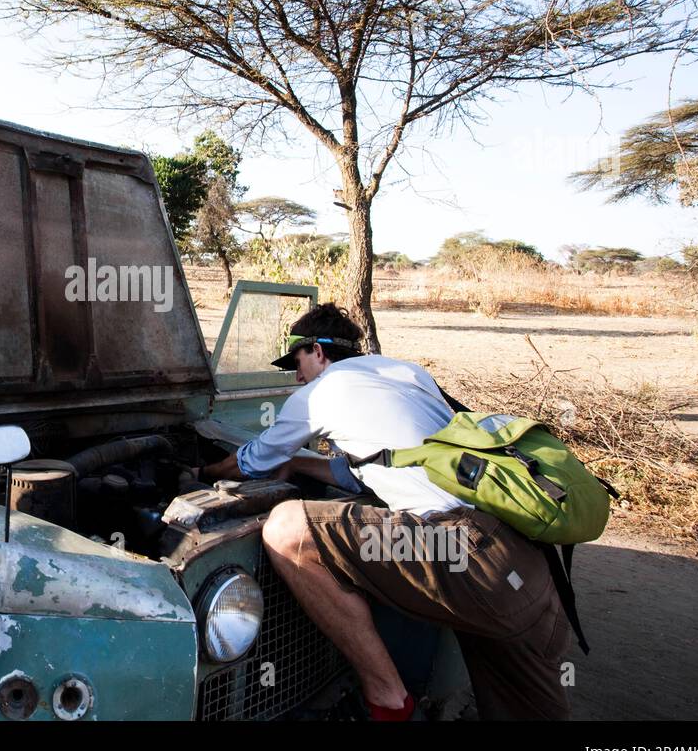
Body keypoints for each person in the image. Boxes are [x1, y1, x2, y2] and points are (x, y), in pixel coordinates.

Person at [198, 303, 572, 720]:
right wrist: (303, 462)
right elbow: (378, 468)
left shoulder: (317, 394)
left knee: (288, 529)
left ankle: (388, 700)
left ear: (318, 352)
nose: (296, 376)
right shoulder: (407, 372)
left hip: (463, 552)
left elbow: (251, 461)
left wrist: (202, 471)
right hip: (523, 560)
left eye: (298, 362)